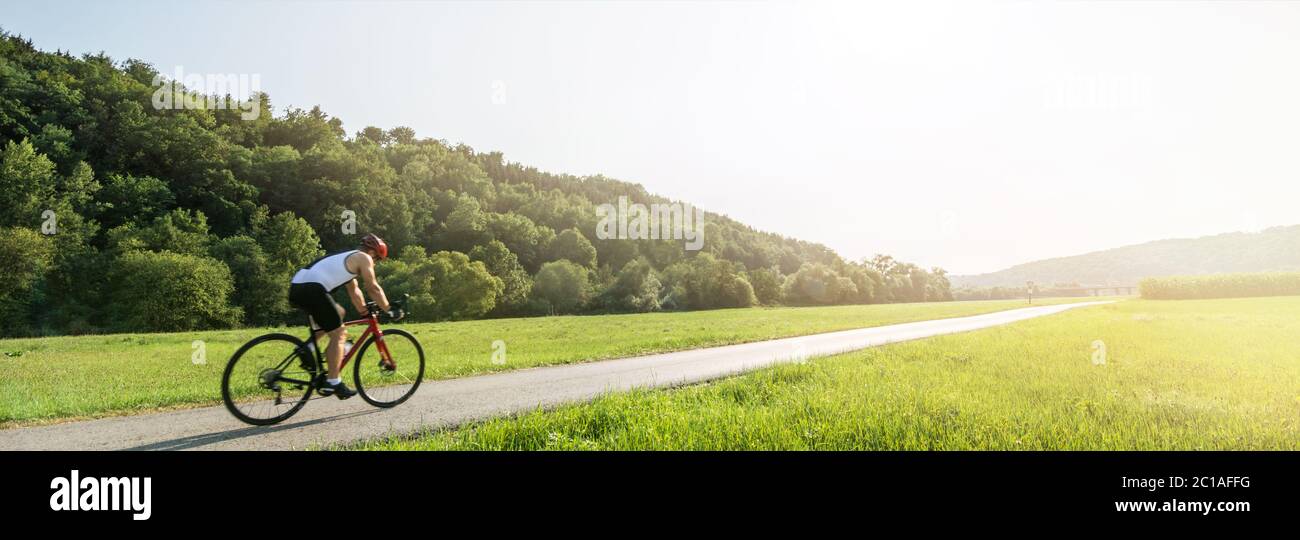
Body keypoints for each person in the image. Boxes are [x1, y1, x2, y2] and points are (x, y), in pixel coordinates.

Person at [287, 233, 402, 399]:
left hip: (298, 287)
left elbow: (354, 291)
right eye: (377, 259)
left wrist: (364, 311)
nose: (375, 263)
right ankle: (333, 382)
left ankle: (307, 348)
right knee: (339, 333)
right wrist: (389, 309)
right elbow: (373, 287)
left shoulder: (348, 258)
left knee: (338, 312)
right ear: (373, 253)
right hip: (313, 289)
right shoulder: (364, 258)